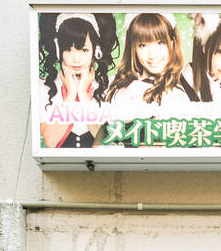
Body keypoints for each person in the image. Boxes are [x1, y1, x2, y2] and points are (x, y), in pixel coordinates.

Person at [37, 11, 118, 149]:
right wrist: (70, 95)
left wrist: (82, 95)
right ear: (58, 50)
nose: (76, 59)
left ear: (95, 50)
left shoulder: (109, 86)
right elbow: (50, 142)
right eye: (68, 49)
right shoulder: (45, 86)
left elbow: (106, 140)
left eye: (84, 50)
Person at [104, 11, 197, 122]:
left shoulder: (175, 94)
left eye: (160, 43)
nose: (152, 55)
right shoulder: (114, 83)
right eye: (143, 45)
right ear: (134, 48)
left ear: (172, 43)